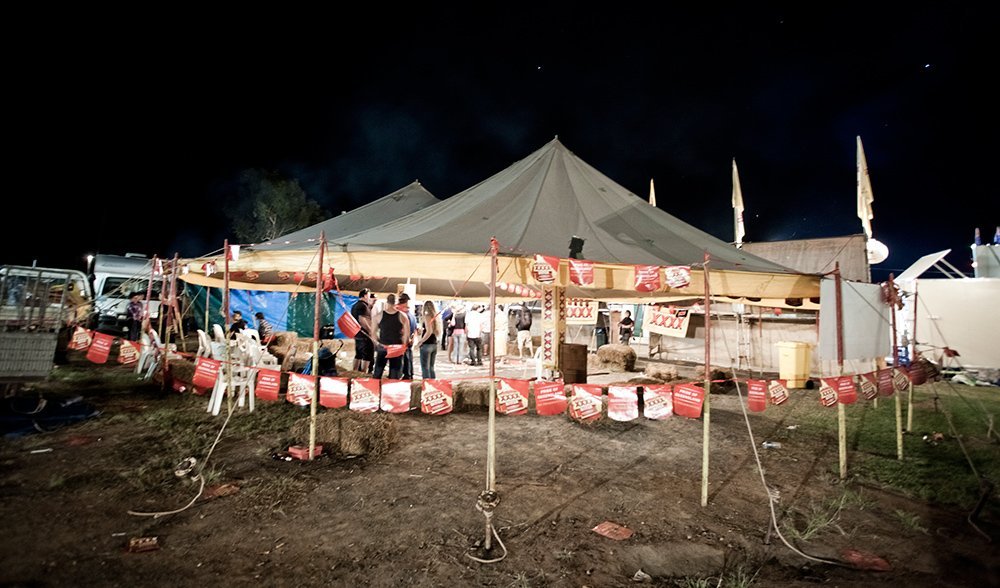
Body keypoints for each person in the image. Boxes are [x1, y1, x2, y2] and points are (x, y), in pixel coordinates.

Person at [372, 293, 410, 379]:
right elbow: (406, 334)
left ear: (387, 302)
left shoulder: (378, 316)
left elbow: (373, 334)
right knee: (395, 375)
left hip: (383, 346)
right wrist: (404, 345)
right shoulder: (403, 316)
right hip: (397, 346)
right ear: (396, 302)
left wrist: (379, 343)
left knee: (378, 373)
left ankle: (376, 390)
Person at [351, 288, 375, 373]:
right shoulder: (363, 306)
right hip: (364, 334)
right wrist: (370, 332)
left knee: (358, 354)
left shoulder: (354, 306)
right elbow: (362, 320)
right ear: (365, 295)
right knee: (367, 355)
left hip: (357, 334)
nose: (369, 297)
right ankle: (363, 373)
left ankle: (354, 372)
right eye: (369, 295)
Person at [396, 292, 419, 380]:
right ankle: (409, 374)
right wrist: (412, 338)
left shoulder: (403, 315)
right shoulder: (411, 315)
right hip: (409, 338)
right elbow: (415, 329)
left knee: (404, 359)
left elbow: (403, 329)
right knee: (408, 357)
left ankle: (406, 375)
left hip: (403, 339)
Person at [417, 300, 441, 379]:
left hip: (427, 344)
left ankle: (427, 385)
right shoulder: (435, 317)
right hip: (434, 343)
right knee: (431, 367)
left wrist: (421, 341)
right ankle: (433, 385)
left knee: (425, 368)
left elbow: (429, 331)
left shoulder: (427, 316)